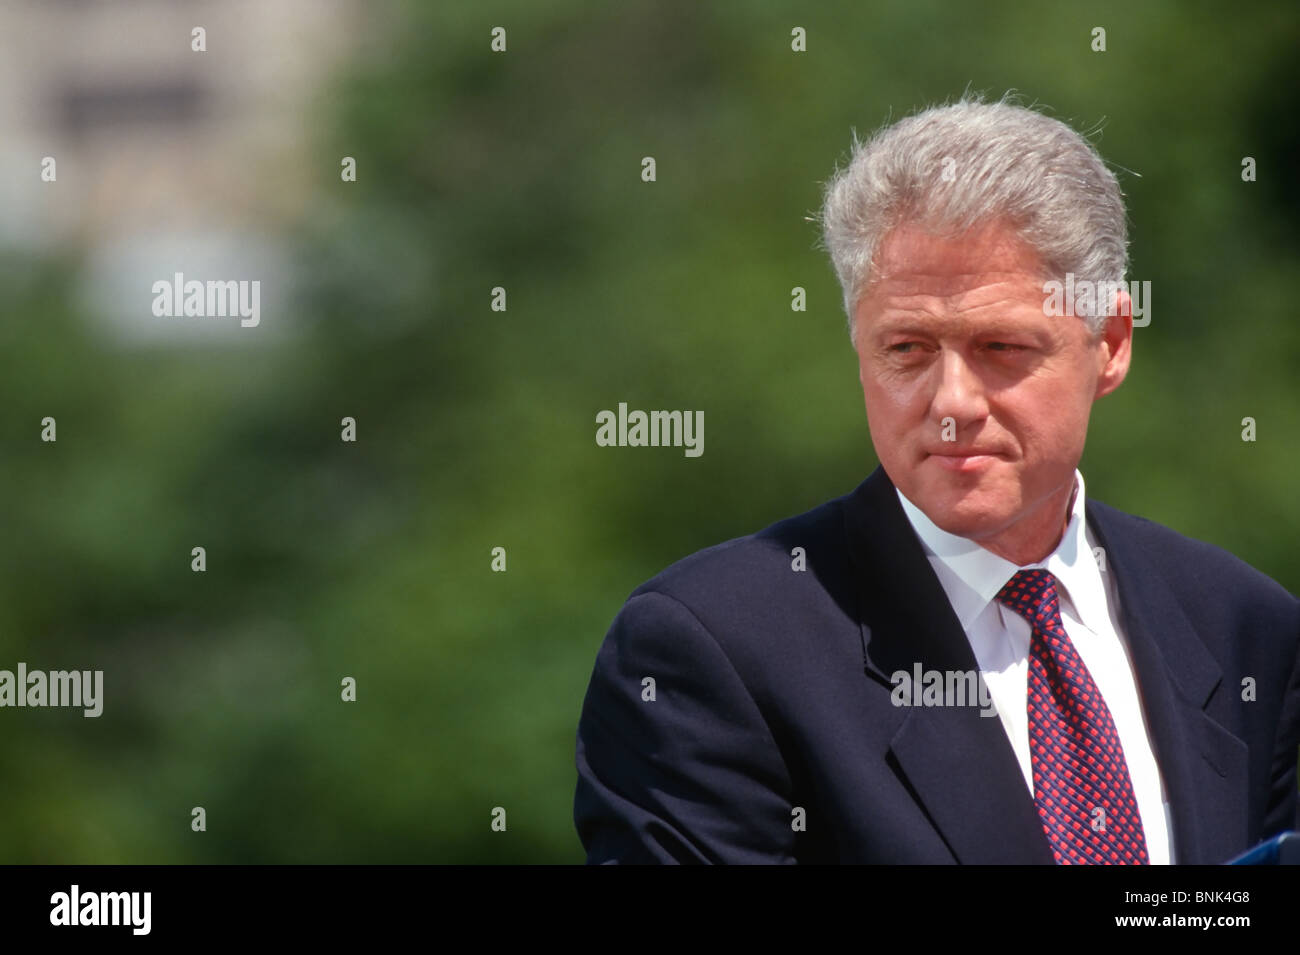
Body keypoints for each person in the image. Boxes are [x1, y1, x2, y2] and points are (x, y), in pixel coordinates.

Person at [572, 95, 1300, 864]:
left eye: (1001, 346)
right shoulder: (710, 651)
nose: (952, 403)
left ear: (1111, 343)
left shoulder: (1246, 627)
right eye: (908, 349)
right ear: (858, 346)